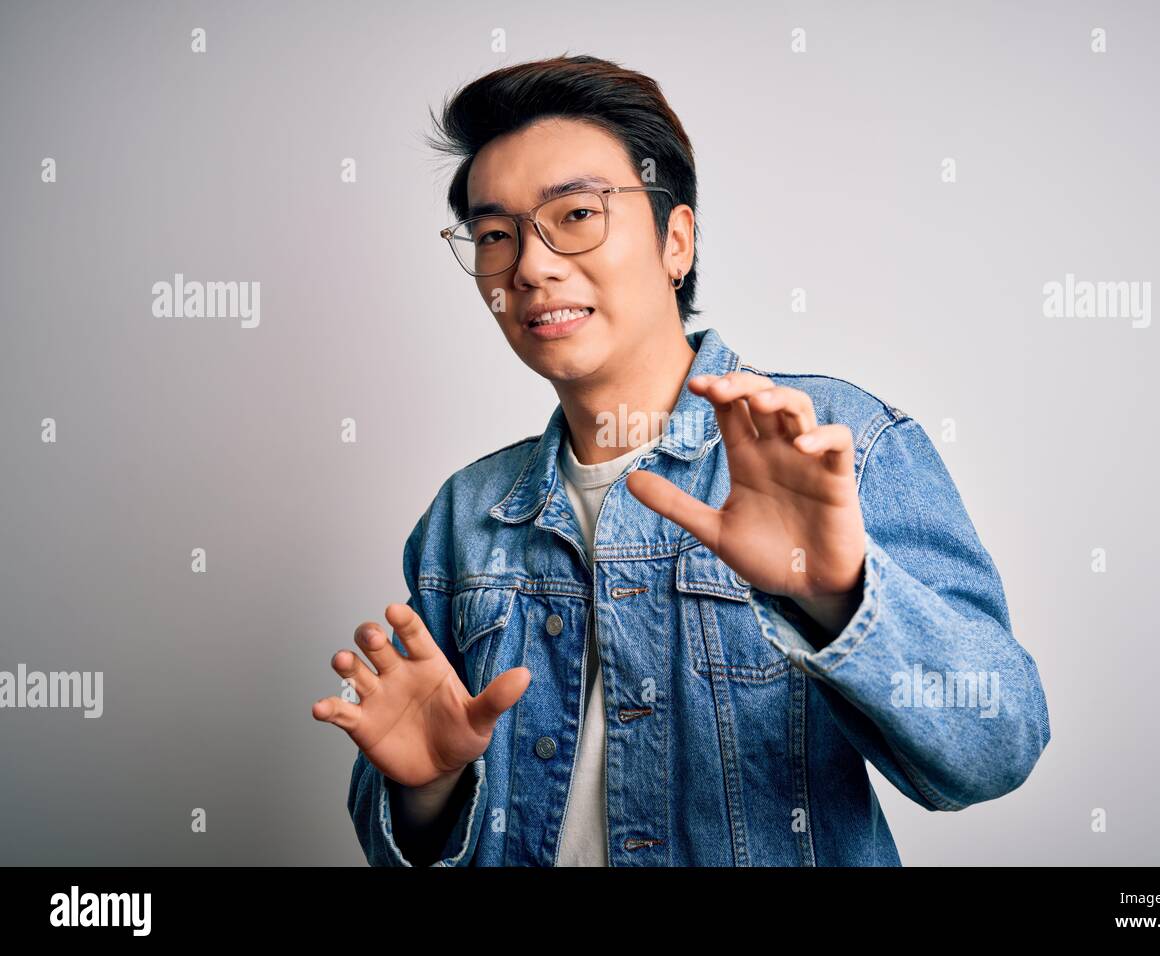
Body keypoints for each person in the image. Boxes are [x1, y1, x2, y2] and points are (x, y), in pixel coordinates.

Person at [311, 53, 1051, 866]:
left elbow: (997, 748)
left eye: (577, 215)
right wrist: (429, 791)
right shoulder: (466, 514)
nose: (530, 265)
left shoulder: (833, 440)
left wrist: (837, 594)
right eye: (495, 234)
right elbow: (406, 826)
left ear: (676, 240)